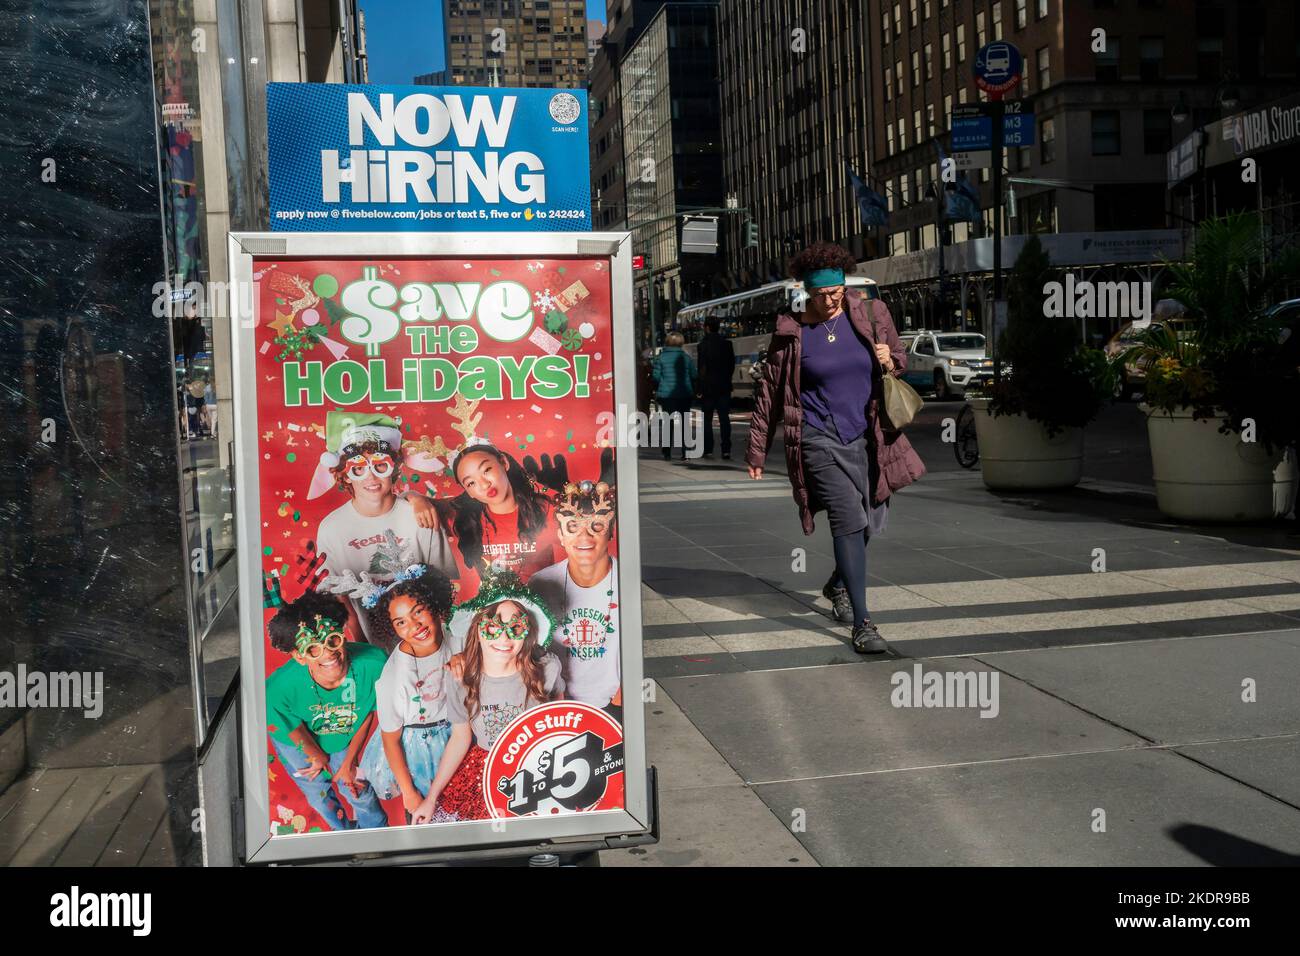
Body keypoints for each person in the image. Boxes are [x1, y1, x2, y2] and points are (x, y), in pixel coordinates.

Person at [746, 241, 926, 654]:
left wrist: (889, 358)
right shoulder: (791, 331)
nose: (830, 301)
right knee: (847, 520)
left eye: (837, 291)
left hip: (868, 435)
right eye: (821, 294)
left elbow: (899, 361)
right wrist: (757, 449)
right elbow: (770, 393)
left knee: (869, 523)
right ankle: (863, 624)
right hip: (817, 438)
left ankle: (837, 582)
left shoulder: (872, 315)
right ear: (806, 291)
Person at [414, 571, 564, 823]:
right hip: (485, 770)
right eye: (493, 627)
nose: (504, 638)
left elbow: (562, 723)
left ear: (527, 633)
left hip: (537, 770)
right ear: (477, 630)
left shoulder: (548, 669)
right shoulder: (460, 677)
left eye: (515, 628)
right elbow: (460, 738)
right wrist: (431, 797)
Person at [314, 412, 457, 649]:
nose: (370, 477)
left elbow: (444, 586)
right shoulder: (331, 528)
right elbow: (340, 598)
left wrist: (442, 646)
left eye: (380, 466)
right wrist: (364, 647)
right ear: (345, 474)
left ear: (393, 468)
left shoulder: (420, 514)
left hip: (429, 643)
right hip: (374, 644)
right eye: (358, 469)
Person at [265, 589, 389, 830]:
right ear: (299, 657)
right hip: (295, 735)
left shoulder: (373, 664)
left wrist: (349, 763)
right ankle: (342, 835)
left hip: (343, 732)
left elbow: (367, 713)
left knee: (356, 787)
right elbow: (284, 723)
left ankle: (377, 834)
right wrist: (313, 753)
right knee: (319, 795)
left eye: (332, 640)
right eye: (313, 649)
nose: (329, 653)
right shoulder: (278, 688)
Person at [357, 565, 459, 824]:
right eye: (401, 622)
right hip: (418, 752)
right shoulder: (394, 677)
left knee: (463, 810)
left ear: (434, 605)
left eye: (418, 612)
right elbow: (390, 739)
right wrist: (409, 792)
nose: (414, 626)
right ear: (392, 628)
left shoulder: (456, 637)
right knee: (429, 821)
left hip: (458, 734)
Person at [411, 443, 560, 600]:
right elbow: (403, 500)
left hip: (544, 608)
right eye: (471, 483)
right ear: (468, 492)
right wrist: (415, 498)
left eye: (487, 470)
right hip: (494, 614)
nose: (484, 485)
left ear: (503, 462)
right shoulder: (464, 515)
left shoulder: (545, 509)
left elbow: (583, 544)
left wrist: (567, 491)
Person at [530, 480, 621, 720]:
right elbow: (529, 648)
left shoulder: (627, 582)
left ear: (611, 532)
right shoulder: (540, 583)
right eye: (573, 527)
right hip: (556, 704)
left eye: (597, 526)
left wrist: (626, 694)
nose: (585, 537)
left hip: (613, 704)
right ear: (560, 535)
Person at [652, 332, 697, 461]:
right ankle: (686, 452)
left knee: (667, 422)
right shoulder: (686, 358)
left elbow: (656, 377)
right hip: (684, 394)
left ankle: (667, 453)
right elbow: (694, 375)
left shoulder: (660, 358)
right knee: (685, 423)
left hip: (666, 395)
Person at [696, 317, 736, 459]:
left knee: (707, 419)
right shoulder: (727, 344)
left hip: (708, 387)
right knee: (724, 418)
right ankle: (726, 449)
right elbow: (731, 365)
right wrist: (727, 379)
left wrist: (699, 388)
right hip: (724, 386)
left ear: (706, 327)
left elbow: (702, 368)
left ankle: (708, 449)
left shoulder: (702, 345)